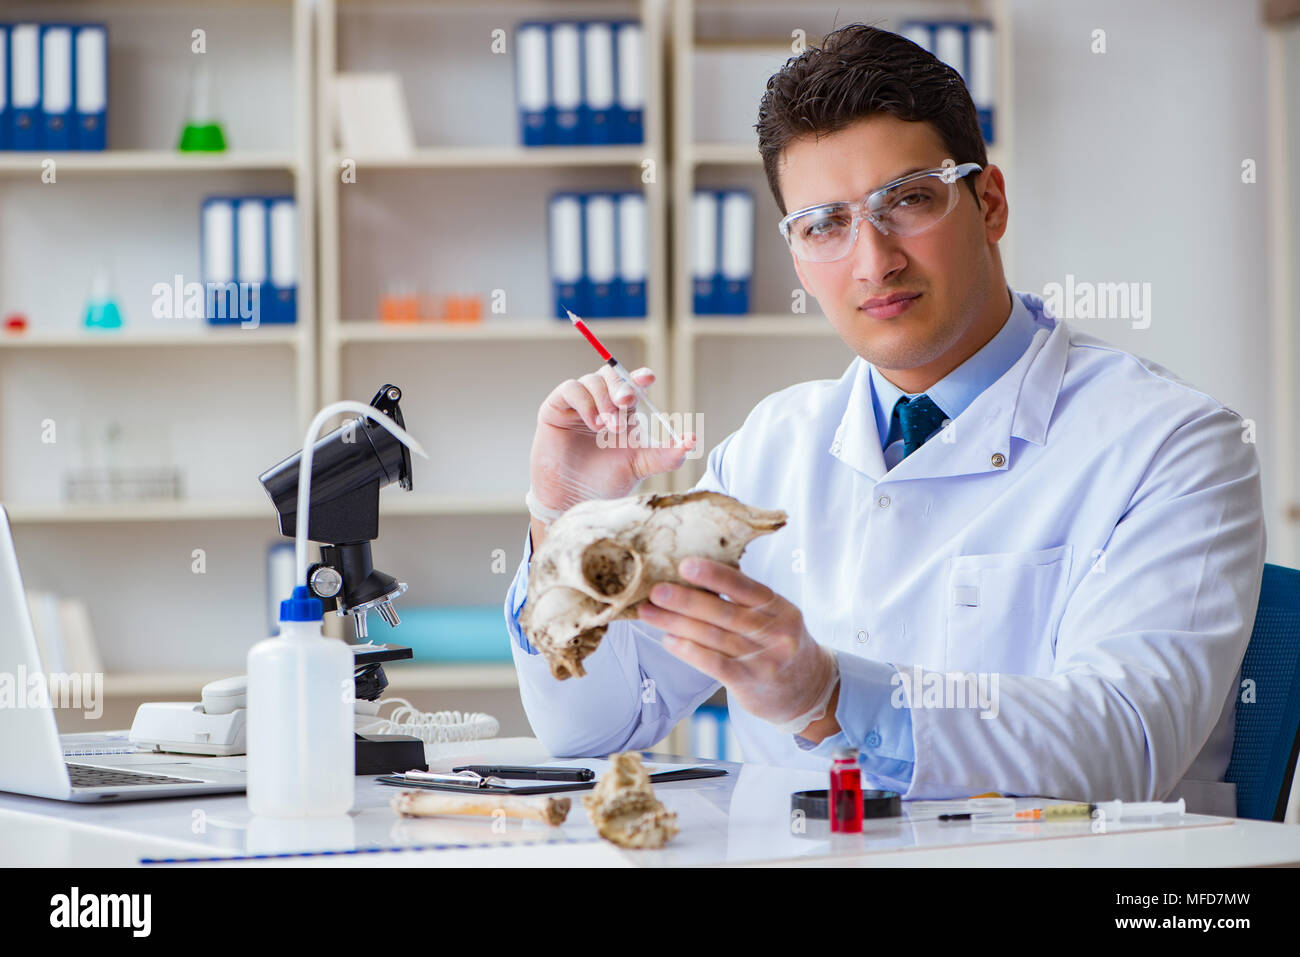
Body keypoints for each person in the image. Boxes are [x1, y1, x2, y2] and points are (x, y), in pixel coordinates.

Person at [503, 23, 1266, 815]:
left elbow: (1128, 743)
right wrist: (568, 525)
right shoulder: (774, 446)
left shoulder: (1172, 445)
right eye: (826, 224)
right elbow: (593, 725)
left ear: (989, 202)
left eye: (907, 199)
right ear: (798, 257)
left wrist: (833, 695)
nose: (874, 262)